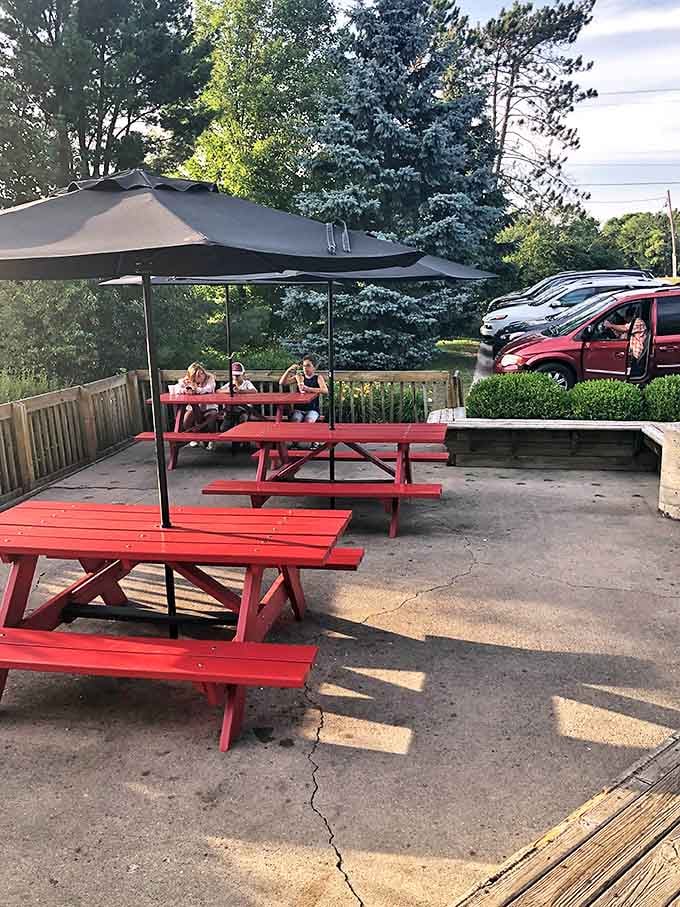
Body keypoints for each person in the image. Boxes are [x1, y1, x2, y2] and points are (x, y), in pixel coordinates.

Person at [171, 362, 219, 449]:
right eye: (198, 375)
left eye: (202, 373)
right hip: (194, 408)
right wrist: (185, 388)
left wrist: (196, 389)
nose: (201, 375)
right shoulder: (188, 380)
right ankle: (193, 437)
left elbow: (208, 389)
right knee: (186, 418)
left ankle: (212, 440)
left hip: (209, 406)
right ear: (192, 376)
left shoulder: (210, 378)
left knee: (212, 416)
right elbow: (176, 388)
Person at [279, 355, 328, 423]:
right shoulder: (299, 376)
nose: (305, 368)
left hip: (312, 409)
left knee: (309, 420)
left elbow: (325, 390)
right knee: (295, 420)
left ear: (314, 367)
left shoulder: (318, 377)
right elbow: (282, 383)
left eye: (308, 365)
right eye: (304, 366)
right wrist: (288, 370)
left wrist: (308, 389)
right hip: (298, 409)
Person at [604, 305, 649, 377]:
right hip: (630, 350)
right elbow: (622, 332)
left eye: (625, 317)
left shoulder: (638, 322)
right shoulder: (632, 323)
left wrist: (610, 325)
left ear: (629, 317)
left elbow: (625, 328)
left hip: (635, 352)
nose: (624, 320)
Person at [218, 361, 264, 431]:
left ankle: (241, 439)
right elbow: (218, 391)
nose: (235, 377)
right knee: (224, 427)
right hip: (231, 410)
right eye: (234, 375)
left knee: (242, 420)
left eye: (238, 375)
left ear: (243, 375)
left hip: (245, 409)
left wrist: (240, 391)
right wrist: (229, 391)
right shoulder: (230, 383)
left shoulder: (247, 383)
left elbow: (254, 391)